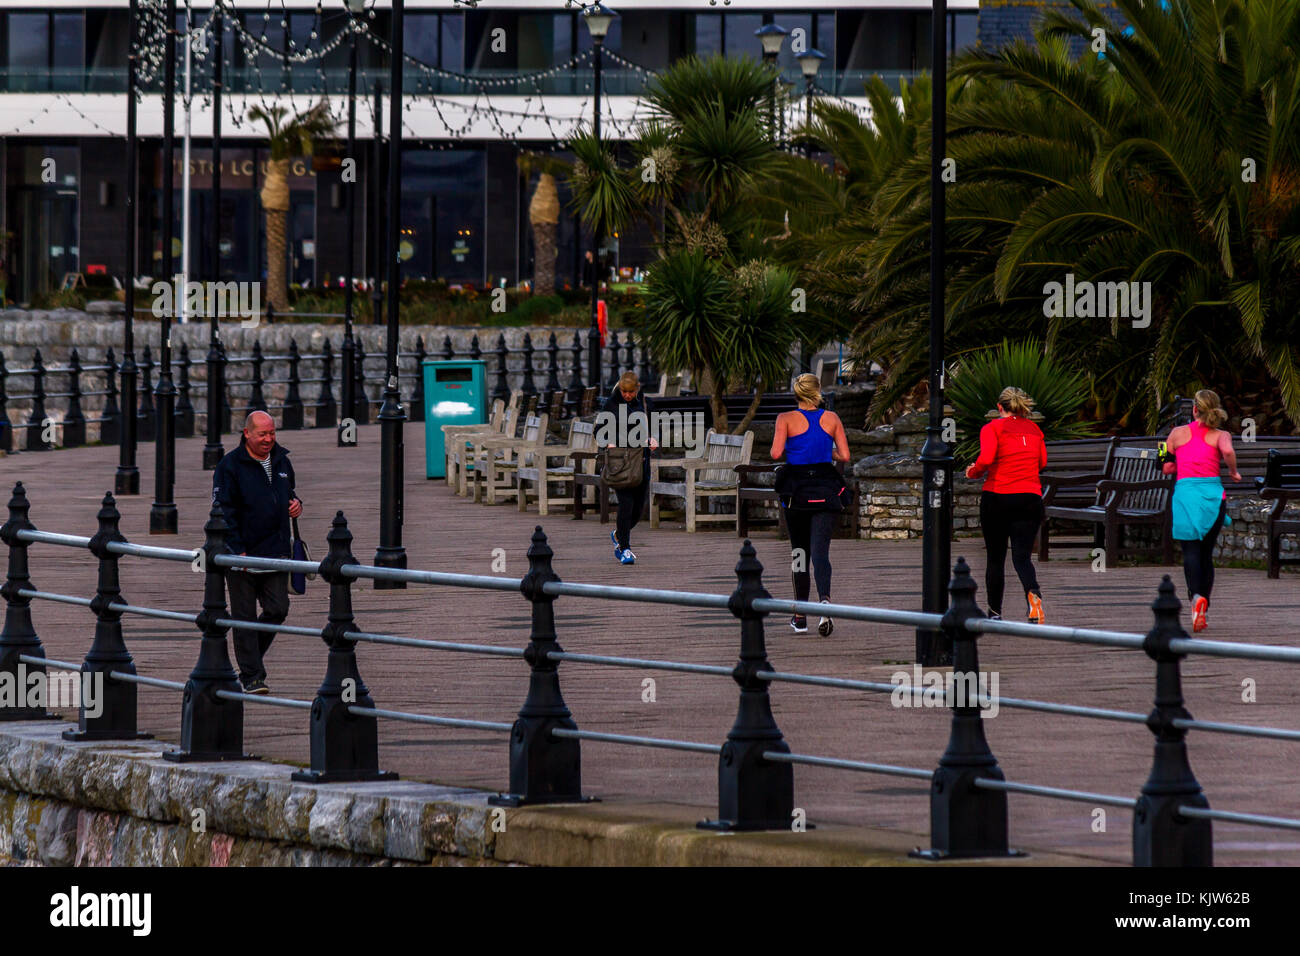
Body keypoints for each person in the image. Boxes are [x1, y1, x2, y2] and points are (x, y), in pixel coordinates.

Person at [212, 411, 303, 694]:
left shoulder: (282, 461)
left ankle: (250, 660)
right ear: (246, 433)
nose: (268, 439)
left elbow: (290, 493)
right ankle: (252, 677)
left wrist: (296, 504)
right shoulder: (230, 466)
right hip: (243, 555)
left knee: (278, 609)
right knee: (244, 617)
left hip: (275, 552)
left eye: (272, 433)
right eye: (262, 434)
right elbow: (223, 511)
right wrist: (236, 550)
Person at [771, 374, 851, 636]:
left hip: (797, 491)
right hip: (826, 487)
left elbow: (775, 453)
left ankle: (800, 616)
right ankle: (825, 602)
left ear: (796, 393)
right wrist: (827, 451)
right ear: (818, 392)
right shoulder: (832, 418)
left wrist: (795, 447)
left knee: (799, 553)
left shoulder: (785, 419)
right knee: (821, 552)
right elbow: (845, 455)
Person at [965, 386, 1048, 624]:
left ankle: (995, 613)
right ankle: (1034, 599)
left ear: (999, 407)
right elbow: (1042, 461)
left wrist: (973, 471)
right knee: (1022, 557)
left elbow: (987, 459)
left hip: (998, 497)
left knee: (995, 558)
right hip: (1030, 498)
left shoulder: (992, 428)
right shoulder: (1035, 429)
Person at [1163, 389, 1239, 632]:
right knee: (1206, 554)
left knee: (1190, 552)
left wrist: (1177, 461)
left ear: (1194, 409)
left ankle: (1196, 598)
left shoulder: (1175, 434)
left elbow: (1165, 467)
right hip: (1213, 498)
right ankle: (1203, 604)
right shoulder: (1222, 435)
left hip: (1186, 496)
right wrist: (1233, 471)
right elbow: (1227, 452)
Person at [599, 371, 658, 564]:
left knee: (638, 511)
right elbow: (599, 431)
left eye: (630, 392)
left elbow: (646, 429)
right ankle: (624, 549)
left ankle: (618, 534)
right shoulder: (611, 404)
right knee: (626, 505)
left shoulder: (642, 402)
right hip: (620, 463)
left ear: (637, 389)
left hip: (641, 462)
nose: (627, 395)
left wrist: (651, 440)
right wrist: (609, 442)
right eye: (624, 392)